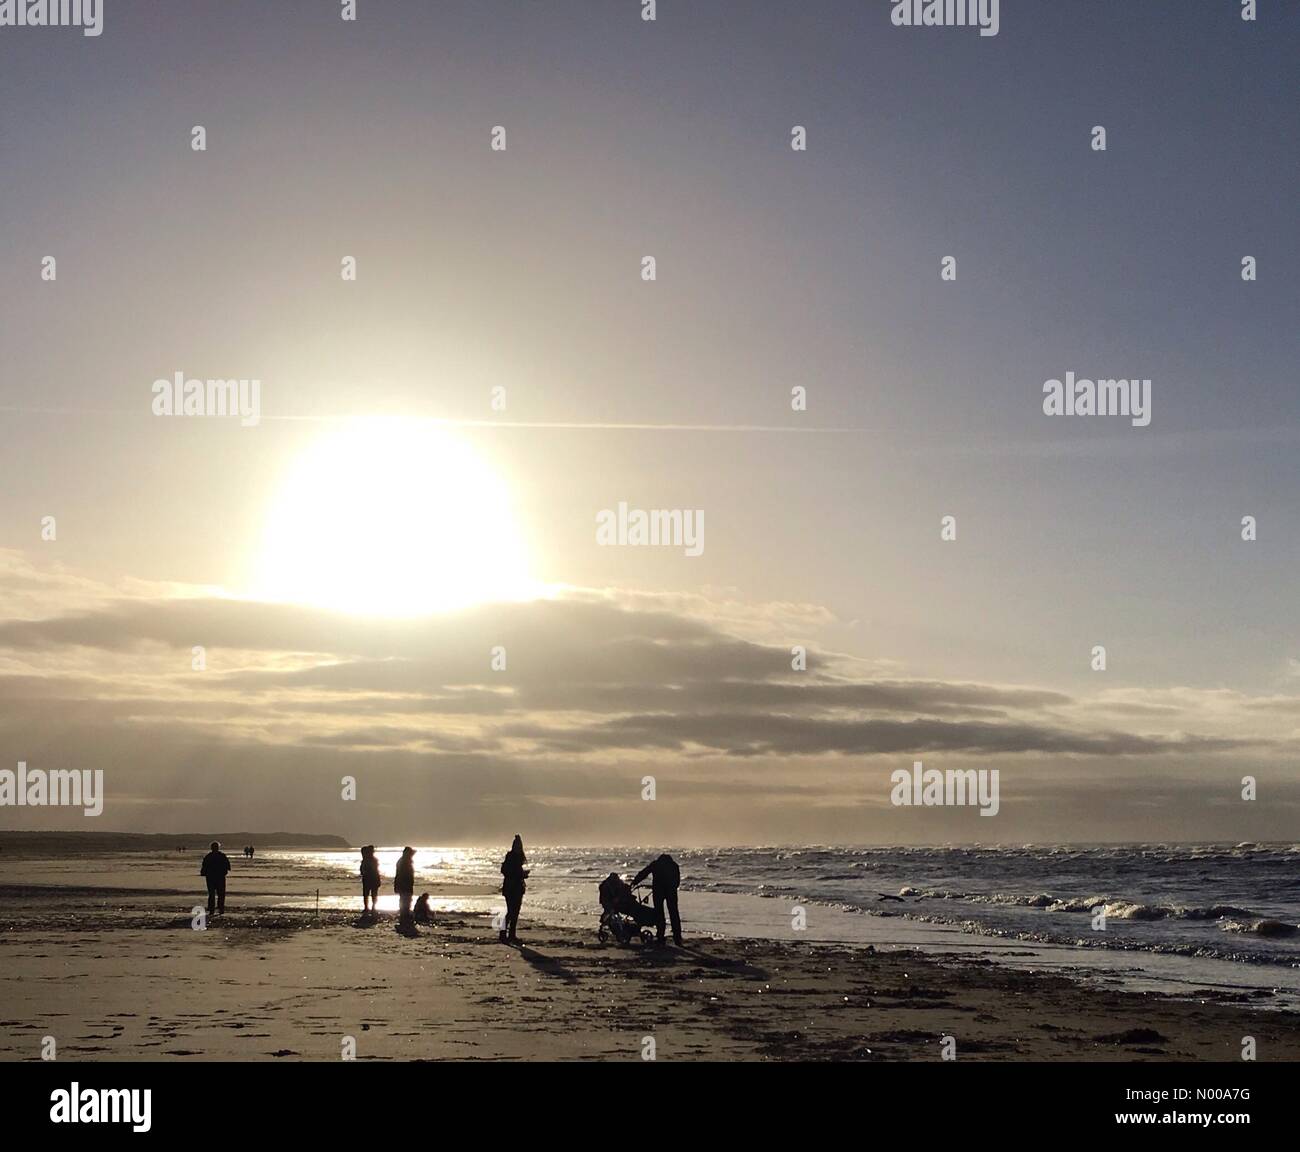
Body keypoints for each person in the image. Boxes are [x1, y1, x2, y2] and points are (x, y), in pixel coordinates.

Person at [633, 853, 682, 947]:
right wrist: (673, 887)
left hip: (658, 891)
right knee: (674, 913)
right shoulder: (674, 865)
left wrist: (635, 882)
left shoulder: (656, 864)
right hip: (671, 891)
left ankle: (660, 936)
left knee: (659, 913)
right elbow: (677, 881)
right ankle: (677, 938)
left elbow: (644, 873)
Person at [499, 835, 528, 943]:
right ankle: (503, 934)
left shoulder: (519, 857)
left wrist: (522, 875)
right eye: (517, 846)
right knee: (511, 911)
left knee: (515, 912)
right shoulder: (510, 856)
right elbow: (505, 871)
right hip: (510, 888)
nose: (518, 848)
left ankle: (511, 934)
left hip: (518, 888)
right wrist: (520, 874)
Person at [200, 840, 232, 916]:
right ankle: (220, 909)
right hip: (220, 877)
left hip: (211, 877)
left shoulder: (208, 856)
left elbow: (204, 868)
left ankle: (212, 909)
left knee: (211, 894)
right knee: (221, 894)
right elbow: (228, 866)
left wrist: (204, 873)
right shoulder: (222, 856)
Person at [394, 847, 416, 930]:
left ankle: (404, 913)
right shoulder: (404, 862)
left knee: (405, 899)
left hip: (404, 884)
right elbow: (403, 875)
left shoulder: (404, 861)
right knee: (405, 899)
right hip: (404, 884)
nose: (412, 855)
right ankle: (404, 914)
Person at [359, 845, 381, 913]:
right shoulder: (371, 860)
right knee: (372, 894)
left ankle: (369, 908)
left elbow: (363, 870)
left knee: (368, 894)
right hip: (371, 879)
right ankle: (371, 908)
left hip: (369, 879)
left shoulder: (367, 860)